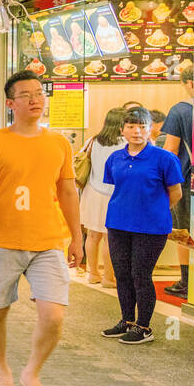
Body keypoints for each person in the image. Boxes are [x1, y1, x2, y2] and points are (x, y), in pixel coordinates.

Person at [0, 71, 82, 386]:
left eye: (39, 93)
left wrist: (77, 237)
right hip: (1, 241)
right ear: (10, 103)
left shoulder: (59, 143)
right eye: (26, 95)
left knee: (54, 315)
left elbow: (68, 191)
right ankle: (3, 372)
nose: (35, 99)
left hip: (48, 241)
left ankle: (31, 373)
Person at [100, 106, 183, 345]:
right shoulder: (115, 158)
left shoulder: (165, 158)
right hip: (118, 224)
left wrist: (155, 210)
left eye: (142, 126)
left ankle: (144, 327)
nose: (137, 131)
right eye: (131, 127)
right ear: (122, 130)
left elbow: (175, 192)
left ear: (150, 129)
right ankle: (126, 321)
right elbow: (118, 188)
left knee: (140, 274)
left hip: (151, 227)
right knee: (122, 273)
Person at [78, 107, 125, 287]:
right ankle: (108, 277)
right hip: (114, 194)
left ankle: (93, 274)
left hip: (92, 192)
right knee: (110, 238)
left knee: (92, 235)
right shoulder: (125, 143)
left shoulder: (93, 140)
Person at [161, 63, 194, 297]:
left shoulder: (180, 110)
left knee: (184, 230)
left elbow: (170, 150)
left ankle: (187, 282)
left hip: (187, 180)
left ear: (190, 83)